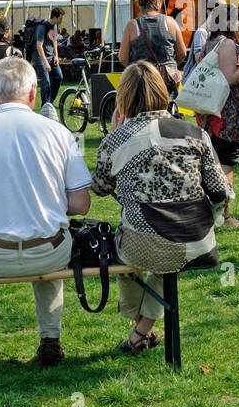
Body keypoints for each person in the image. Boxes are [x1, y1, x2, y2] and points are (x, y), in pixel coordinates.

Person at [0, 57, 92, 368]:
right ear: (33, 91)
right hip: (48, 251)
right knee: (52, 234)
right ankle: (50, 339)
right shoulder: (58, 133)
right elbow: (80, 204)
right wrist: (45, 204)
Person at [92, 62, 226, 353]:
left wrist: (115, 138)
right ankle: (142, 330)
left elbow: (100, 188)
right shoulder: (195, 133)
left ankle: (137, 325)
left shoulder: (116, 140)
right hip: (197, 239)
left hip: (146, 242)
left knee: (125, 252)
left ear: (123, 98)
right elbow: (220, 192)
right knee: (164, 258)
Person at [197, 3, 239, 226]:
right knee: (226, 164)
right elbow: (230, 78)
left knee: (214, 162)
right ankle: (225, 216)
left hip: (211, 113)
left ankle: (211, 213)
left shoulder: (209, 43)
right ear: (228, 23)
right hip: (226, 115)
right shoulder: (227, 44)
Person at [31, 7, 65, 107]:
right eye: (60, 18)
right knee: (46, 82)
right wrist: (45, 62)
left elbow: (54, 41)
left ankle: (51, 101)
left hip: (51, 57)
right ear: (54, 17)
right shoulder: (42, 27)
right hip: (40, 57)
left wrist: (56, 56)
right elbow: (39, 46)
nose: (61, 20)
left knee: (59, 77)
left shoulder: (55, 27)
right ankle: (45, 105)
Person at [183, 0, 223, 81]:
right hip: (198, 81)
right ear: (209, 12)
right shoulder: (202, 32)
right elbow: (199, 61)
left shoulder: (221, 31)